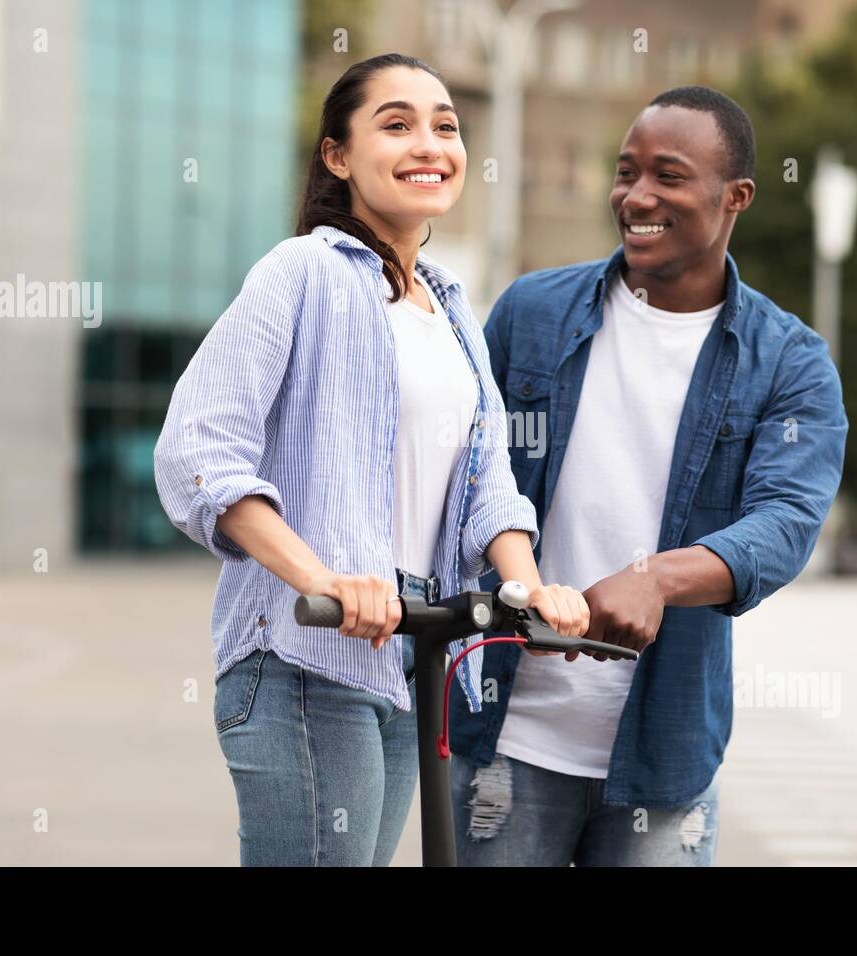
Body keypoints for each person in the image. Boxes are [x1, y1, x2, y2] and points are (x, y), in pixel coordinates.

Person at [153, 53, 589, 867]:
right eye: (397, 125)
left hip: (411, 653)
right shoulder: (303, 274)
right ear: (338, 156)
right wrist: (320, 578)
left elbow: (489, 481)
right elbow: (197, 451)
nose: (429, 144)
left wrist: (529, 587)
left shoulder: (454, 308)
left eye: (445, 127)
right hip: (304, 652)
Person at [446, 86, 848, 866]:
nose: (637, 196)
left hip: (664, 759)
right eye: (627, 172)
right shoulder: (531, 312)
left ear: (737, 197)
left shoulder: (789, 362)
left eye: (668, 176)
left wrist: (655, 579)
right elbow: (462, 474)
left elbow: (787, 521)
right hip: (507, 739)